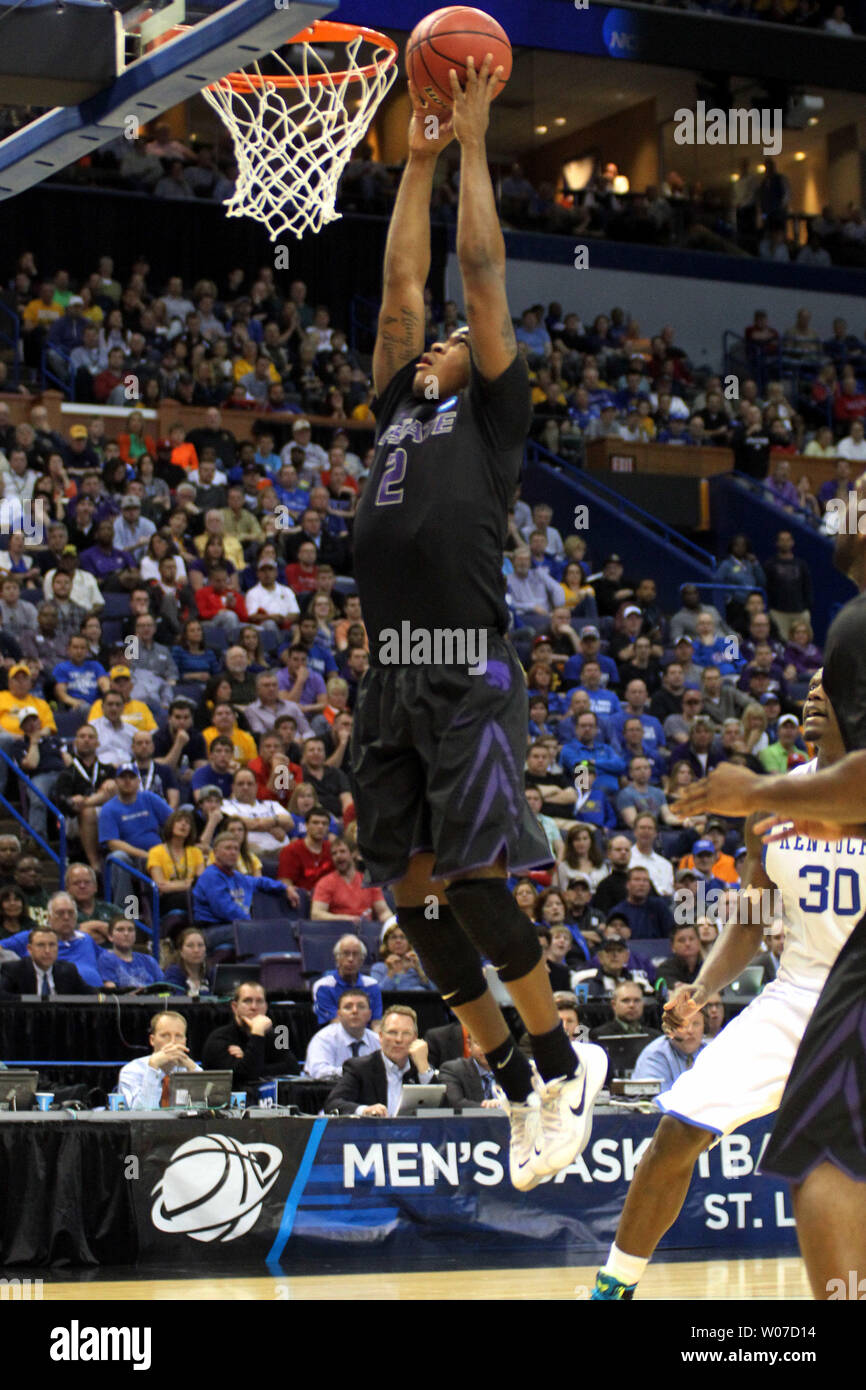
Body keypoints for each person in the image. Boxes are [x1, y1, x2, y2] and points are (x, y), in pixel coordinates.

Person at [348, 58, 604, 1190]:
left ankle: (566, 1057)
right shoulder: (401, 400)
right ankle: (515, 1087)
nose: (443, 333)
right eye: (435, 336)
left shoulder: (494, 414)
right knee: (410, 897)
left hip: (465, 669)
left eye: (459, 335)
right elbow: (404, 283)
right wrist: (418, 152)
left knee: (479, 883)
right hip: (392, 675)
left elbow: (476, 268)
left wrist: (475, 140)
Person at [592, 669, 857, 1301]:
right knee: (679, 1127)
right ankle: (614, 1287)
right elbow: (753, 912)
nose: (814, 694)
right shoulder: (773, 799)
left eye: (832, 684)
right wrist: (705, 987)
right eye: (810, 685)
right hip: (796, 995)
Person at [324, 1004, 436, 1115]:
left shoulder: (421, 1069)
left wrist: (424, 1070)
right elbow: (333, 1103)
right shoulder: (360, 1068)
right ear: (381, 1036)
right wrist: (364, 1110)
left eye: (406, 1033)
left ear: (415, 1038)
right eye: (393, 1032)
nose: (399, 1039)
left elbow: (445, 1110)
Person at [192, 833, 297, 942]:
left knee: (278, 930)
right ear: (215, 853)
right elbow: (226, 910)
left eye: (236, 849)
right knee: (264, 932)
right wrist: (252, 924)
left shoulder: (237, 876)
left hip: (237, 926)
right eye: (227, 848)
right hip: (213, 929)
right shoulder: (211, 876)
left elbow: (260, 882)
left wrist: (285, 888)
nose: (233, 852)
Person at [201, 980, 300, 1092]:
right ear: (234, 1007)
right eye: (247, 1001)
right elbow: (247, 1077)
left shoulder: (276, 1035)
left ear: (266, 1007)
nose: (254, 1007)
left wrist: (246, 1059)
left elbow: (293, 1068)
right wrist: (257, 1032)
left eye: (259, 1001)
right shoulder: (219, 1039)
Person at [1, 891, 111, 988]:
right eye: (60, 913)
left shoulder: (86, 939)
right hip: (55, 999)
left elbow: (109, 957)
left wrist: (109, 981)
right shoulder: (34, 936)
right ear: (49, 917)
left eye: (71, 913)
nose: (66, 917)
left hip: (96, 1000)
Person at [98, 765, 172, 906]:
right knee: (118, 858)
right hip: (131, 859)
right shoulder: (108, 808)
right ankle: (127, 914)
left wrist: (167, 848)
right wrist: (144, 854)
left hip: (158, 853)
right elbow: (112, 843)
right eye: (123, 777)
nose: (127, 781)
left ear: (138, 781)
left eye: (131, 777)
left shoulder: (149, 798)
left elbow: (174, 821)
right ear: (116, 782)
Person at [116, 1010, 200, 1109]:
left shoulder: (191, 1068)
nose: (172, 1042)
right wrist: (153, 1068)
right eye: (165, 1035)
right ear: (152, 1040)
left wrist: (193, 1071)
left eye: (178, 1036)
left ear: (185, 1041)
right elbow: (141, 1115)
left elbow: (207, 1114)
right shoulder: (132, 1071)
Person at [303, 987, 381, 1079]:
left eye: (361, 1006)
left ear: (369, 1014)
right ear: (339, 1015)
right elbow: (318, 1072)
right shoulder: (323, 1039)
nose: (355, 1011)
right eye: (348, 1007)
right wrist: (356, 1072)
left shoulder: (378, 1041)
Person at [310, 837, 390, 924]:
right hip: (338, 931)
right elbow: (316, 914)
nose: (338, 856)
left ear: (354, 854)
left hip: (365, 931)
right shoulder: (325, 883)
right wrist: (346, 919)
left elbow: (383, 912)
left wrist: (391, 923)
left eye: (342, 851)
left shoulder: (368, 881)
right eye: (334, 853)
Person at [0, 925, 96, 997]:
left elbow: (91, 994)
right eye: (41, 945)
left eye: (52, 945)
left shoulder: (68, 971)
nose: (47, 951)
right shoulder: (14, 970)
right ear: (30, 949)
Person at [311, 933, 383, 1024]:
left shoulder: (372, 985)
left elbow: (376, 1023)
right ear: (337, 958)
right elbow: (336, 1024)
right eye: (346, 953)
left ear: (362, 960)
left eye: (356, 954)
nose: (350, 959)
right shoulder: (323, 986)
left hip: (366, 1036)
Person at [440, 1032, 503, 1109]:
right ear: (469, 1045)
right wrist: (488, 1107)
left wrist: (503, 1105)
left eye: (491, 1043)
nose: (485, 1048)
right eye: (479, 1042)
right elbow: (455, 1103)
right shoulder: (453, 1069)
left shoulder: (512, 1069)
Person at [99, 917, 164, 988]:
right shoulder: (106, 960)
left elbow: (165, 988)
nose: (126, 933)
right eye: (120, 930)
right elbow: (111, 991)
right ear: (110, 936)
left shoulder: (149, 960)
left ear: (135, 935)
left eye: (130, 930)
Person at [370, 920, 433, 990]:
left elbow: (437, 991)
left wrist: (419, 970)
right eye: (393, 937)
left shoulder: (419, 966)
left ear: (409, 942)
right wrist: (391, 973)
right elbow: (376, 994)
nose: (398, 941)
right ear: (386, 944)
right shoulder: (379, 968)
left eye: (402, 937)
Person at [162, 927, 212, 996]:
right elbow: (177, 1001)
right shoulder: (173, 974)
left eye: (200, 945)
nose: (196, 950)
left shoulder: (211, 974)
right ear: (181, 951)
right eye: (190, 946)